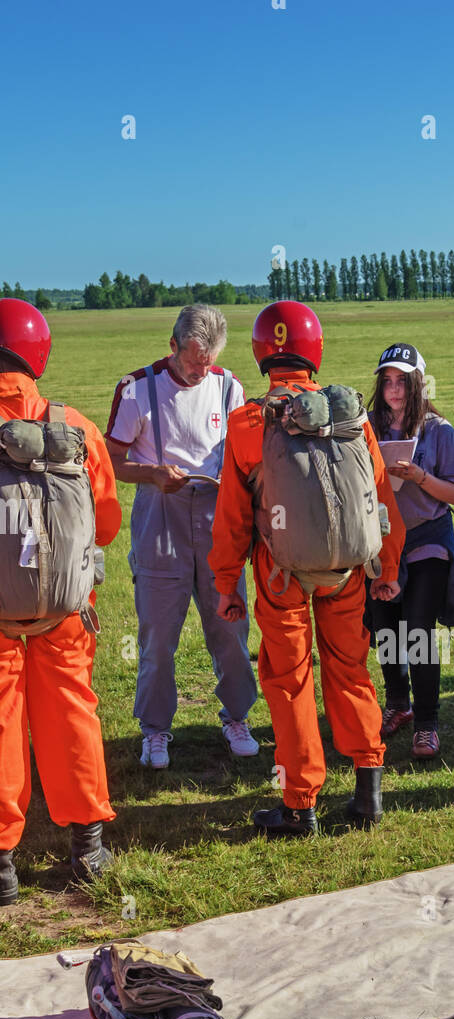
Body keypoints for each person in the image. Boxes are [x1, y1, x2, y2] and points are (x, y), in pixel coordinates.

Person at [209, 300, 405, 836]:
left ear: (259, 353)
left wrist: (226, 583)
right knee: (351, 669)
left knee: (289, 681)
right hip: (348, 571)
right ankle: (368, 790)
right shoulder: (350, 416)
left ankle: (299, 804)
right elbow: (380, 498)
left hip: (281, 577)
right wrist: (387, 568)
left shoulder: (248, 422)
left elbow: (231, 520)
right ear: (314, 351)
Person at [0, 299, 122, 902]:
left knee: (1, 722)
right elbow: (104, 525)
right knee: (72, 711)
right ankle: (88, 845)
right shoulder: (76, 428)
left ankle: (2, 865)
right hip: (64, 605)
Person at [105, 304, 258, 770]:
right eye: (193, 361)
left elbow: (242, 455)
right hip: (161, 516)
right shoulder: (136, 389)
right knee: (157, 635)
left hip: (218, 518)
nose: (200, 370)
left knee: (230, 628)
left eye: (208, 361)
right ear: (172, 347)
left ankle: (237, 717)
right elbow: (109, 459)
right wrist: (151, 474)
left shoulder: (229, 386)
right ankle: (154, 730)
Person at [367, 343, 454, 759]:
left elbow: (453, 492)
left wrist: (418, 476)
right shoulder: (368, 428)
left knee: (417, 632)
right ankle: (398, 705)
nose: (394, 390)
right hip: (381, 539)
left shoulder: (439, 430)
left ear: (418, 383)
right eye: (388, 381)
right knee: (385, 626)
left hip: (428, 537)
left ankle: (428, 724)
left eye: (403, 381)